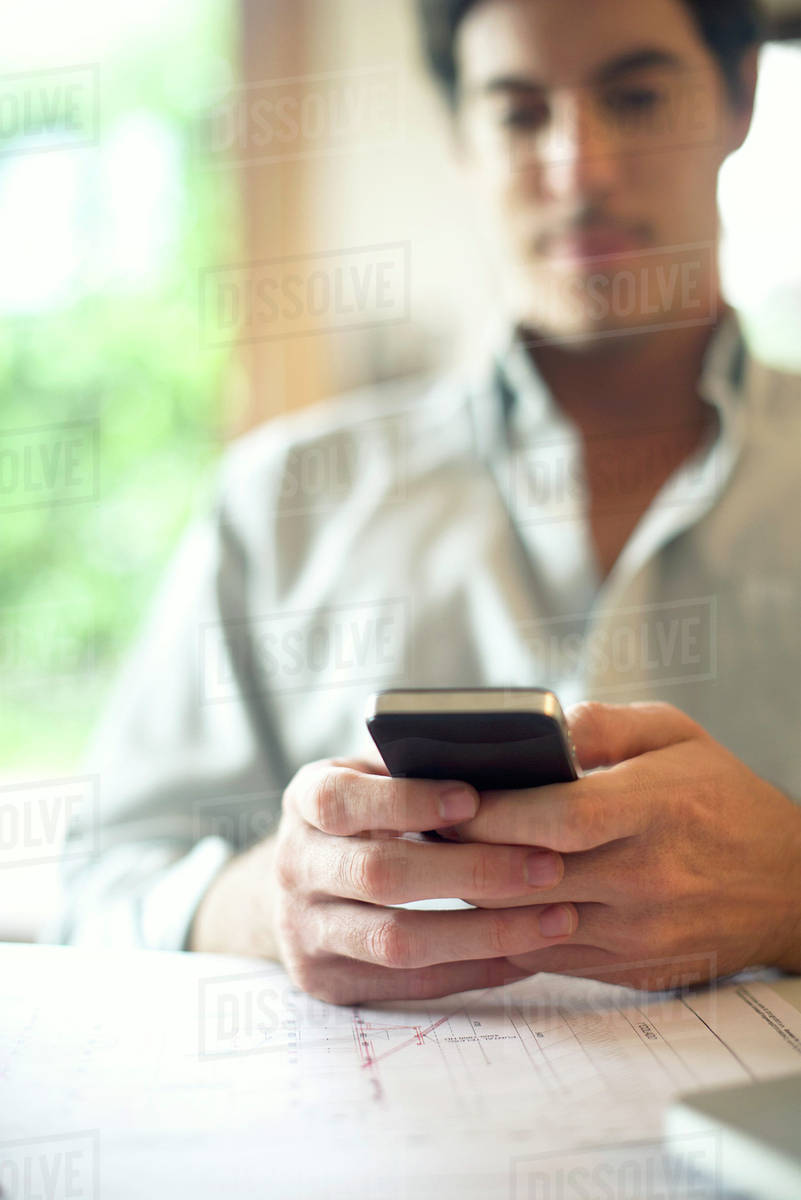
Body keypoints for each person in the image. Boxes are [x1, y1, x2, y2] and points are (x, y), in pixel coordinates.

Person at [53, 0, 801, 1004]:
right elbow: (99, 892)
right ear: (459, 133)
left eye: (635, 99)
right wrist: (271, 907)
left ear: (741, 95)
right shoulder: (278, 505)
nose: (578, 168)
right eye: (519, 114)